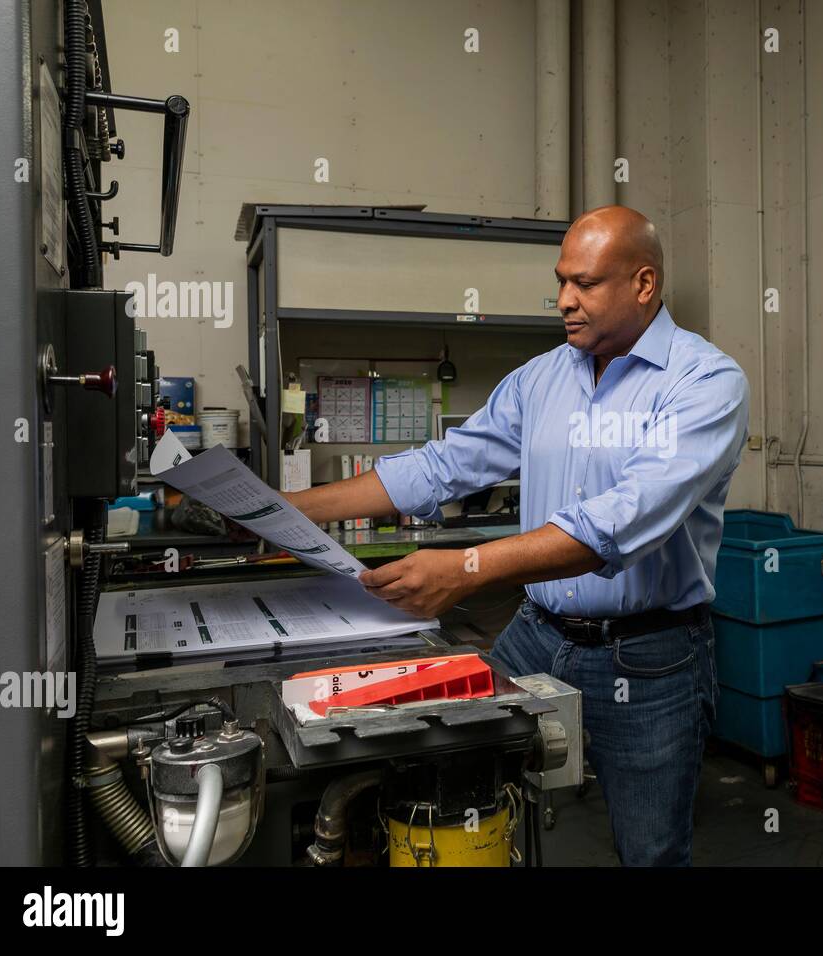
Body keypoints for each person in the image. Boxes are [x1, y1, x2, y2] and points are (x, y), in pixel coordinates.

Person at [287, 205, 749, 865]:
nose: (564, 300)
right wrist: (292, 506)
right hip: (538, 633)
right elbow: (442, 466)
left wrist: (464, 568)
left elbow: (616, 525)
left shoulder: (705, 383)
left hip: (649, 658)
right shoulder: (542, 379)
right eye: (561, 280)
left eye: (585, 283)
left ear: (643, 285)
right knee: (460, 793)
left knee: (649, 850)